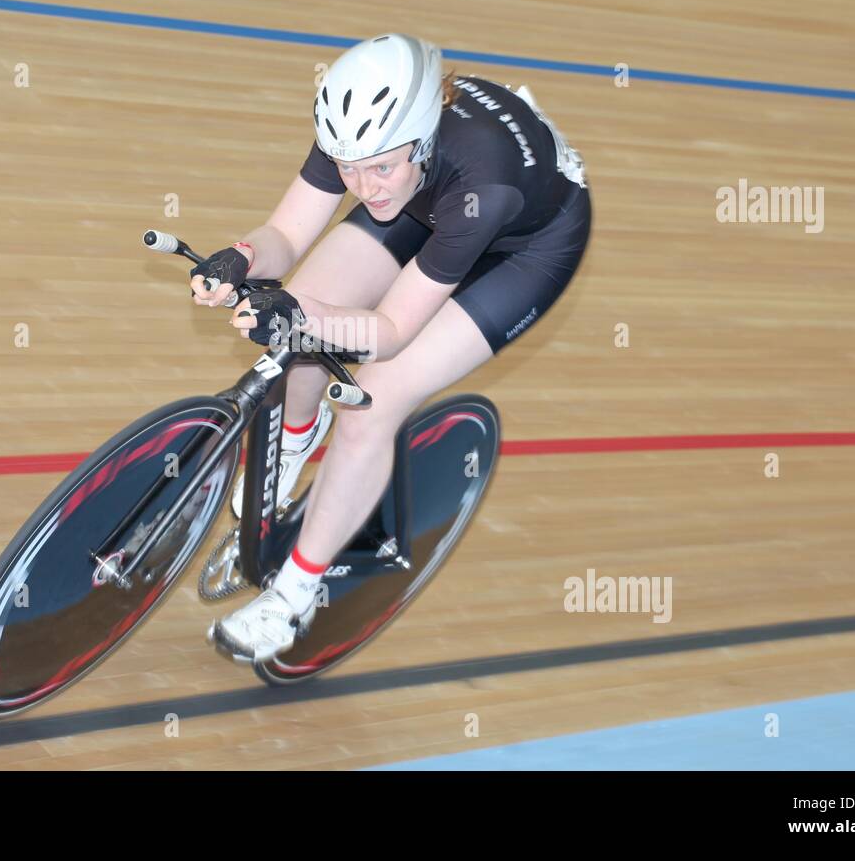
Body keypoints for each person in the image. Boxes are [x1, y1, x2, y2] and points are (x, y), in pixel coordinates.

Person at [189, 33, 591, 663]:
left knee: (373, 402)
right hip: (429, 196)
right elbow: (288, 235)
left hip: (527, 248)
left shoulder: (479, 183)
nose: (361, 185)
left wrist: (302, 315)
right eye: (349, 168)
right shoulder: (365, 142)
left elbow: (391, 332)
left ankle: (294, 596)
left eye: (378, 166)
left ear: (422, 139)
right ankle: (296, 437)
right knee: (301, 311)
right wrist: (240, 257)